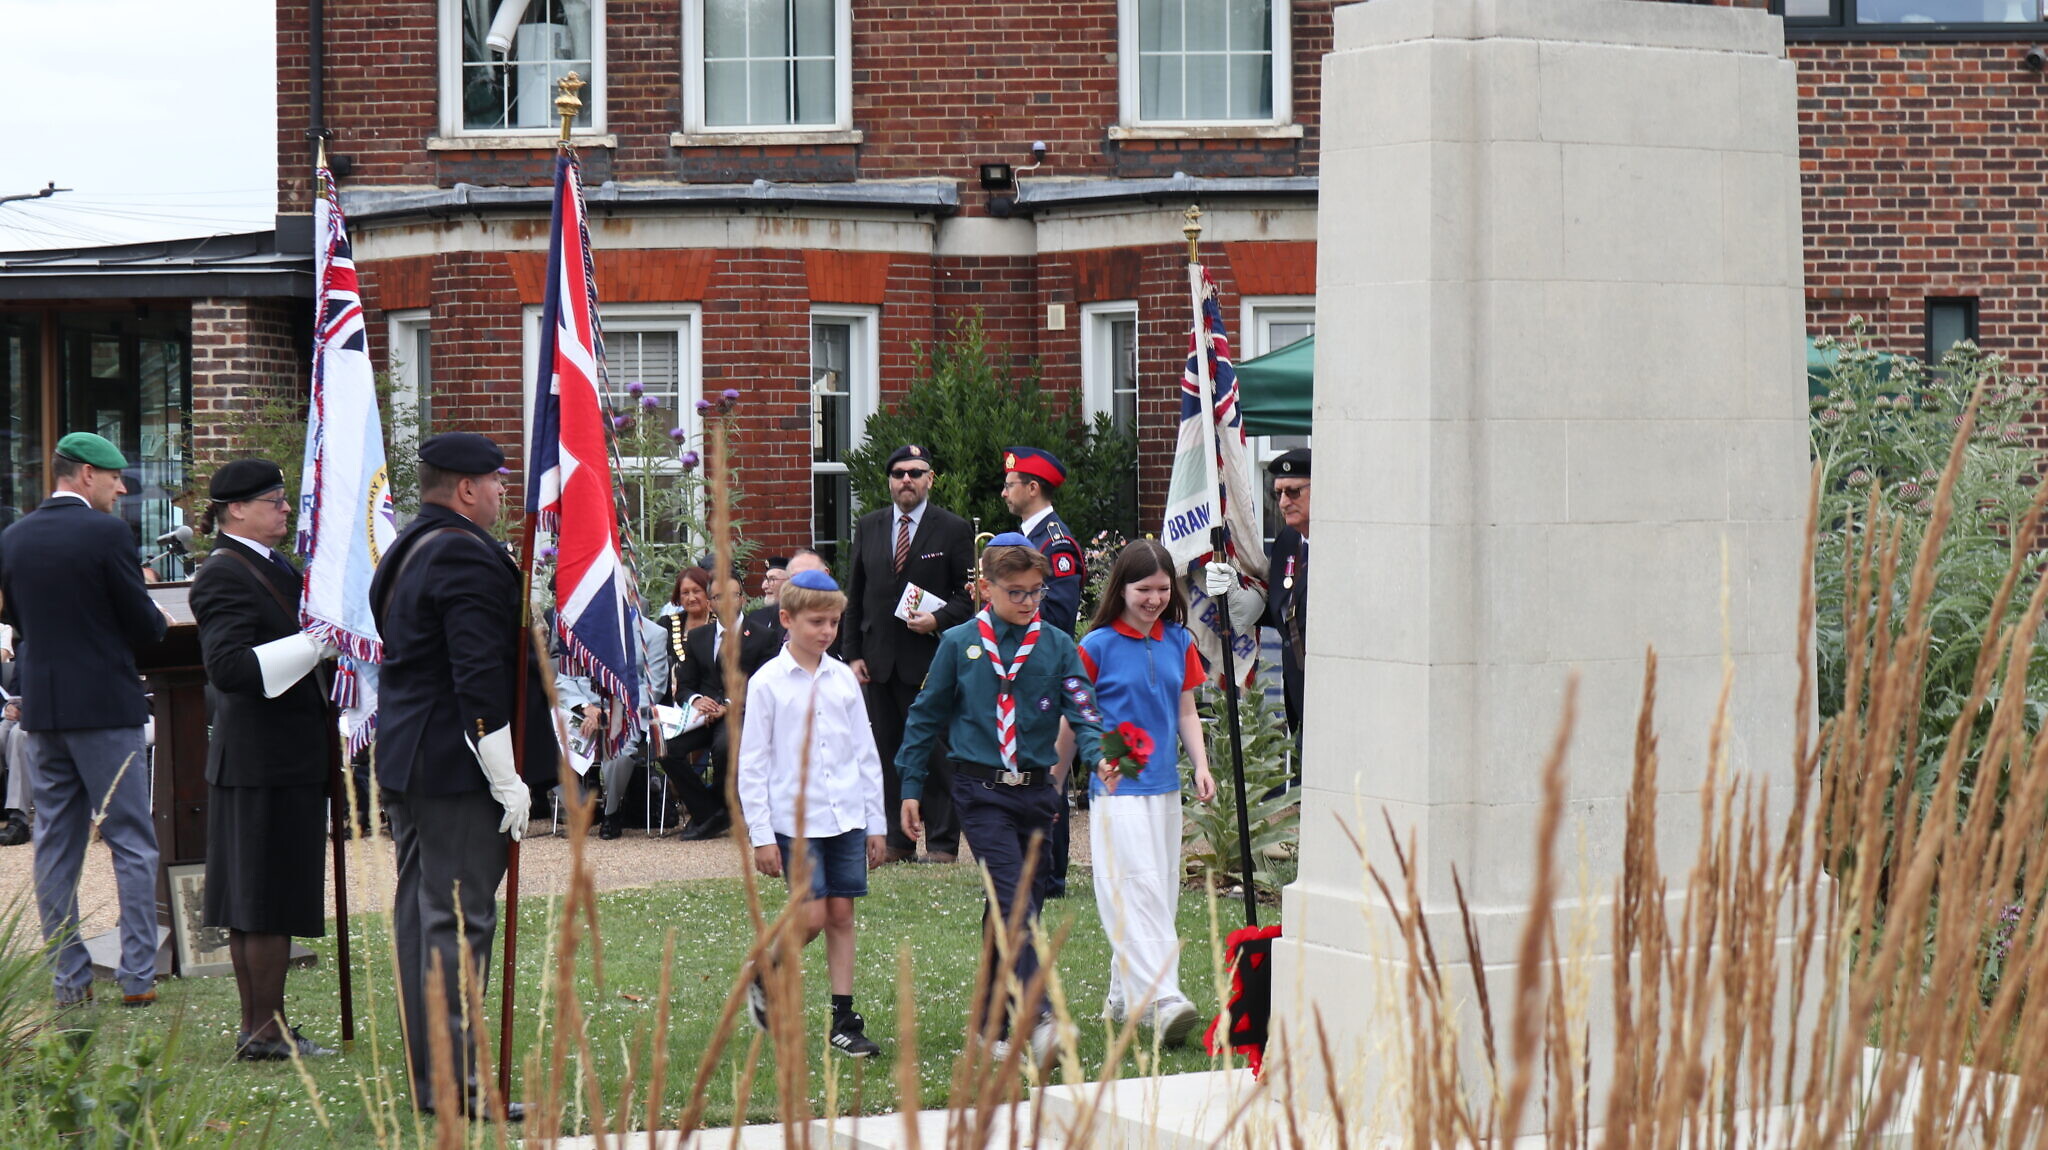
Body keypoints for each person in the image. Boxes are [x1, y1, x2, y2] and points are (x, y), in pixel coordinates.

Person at [371, 432, 551, 1122]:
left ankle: (436, 1080)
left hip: (416, 759)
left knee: (425, 918)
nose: (505, 494)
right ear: (467, 489)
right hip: (455, 766)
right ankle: (455, 1086)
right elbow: (477, 674)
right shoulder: (462, 553)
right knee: (457, 922)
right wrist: (503, 772)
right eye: (499, 484)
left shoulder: (411, 543)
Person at [897, 536, 1103, 1066]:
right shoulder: (959, 643)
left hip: (1036, 792)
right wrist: (911, 787)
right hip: (980, 790)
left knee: (1014, 906)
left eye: (1037, 592)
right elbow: (925, 715)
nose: (1030, 602)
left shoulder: (1058, 644)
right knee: (1011, 896)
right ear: (984, 588)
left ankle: (988, 1027)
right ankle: (1038, 1015)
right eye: (1017, 593)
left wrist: (1103, 755)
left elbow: (1083, 706)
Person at [0, 432, 168, 1008]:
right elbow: (141, 623)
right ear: (85, 475)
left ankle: (69, 982)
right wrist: (157, 626)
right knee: (132, 842)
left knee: (54, 846)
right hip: (105, 708)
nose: (122, 488)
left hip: (43, 712)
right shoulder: (106, 533)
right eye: (115, 477)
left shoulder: (14, 537)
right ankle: (138, 977)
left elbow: (20, 620)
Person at [188, 459, 340, 1061]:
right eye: (274, 501)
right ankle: (264, 1030)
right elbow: (228, 668)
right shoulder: (224, 573)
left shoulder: (269, 565)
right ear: (236, 511)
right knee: (263, 901)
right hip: (261, 760)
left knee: (264, 900)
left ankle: (262, 1029)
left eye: (284, 499)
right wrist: (318, 641)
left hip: (281, 755)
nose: (285, 509)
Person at [735, 569, 887, 1057]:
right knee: (813, 915)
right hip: (794, 822)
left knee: (842, 913)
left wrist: (875, 822)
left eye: (834, 623)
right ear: (787, 619)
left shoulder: (843, 678)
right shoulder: (767, 684)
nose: (826, 632)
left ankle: (844, 1017)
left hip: (846, 816)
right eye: (817, 622)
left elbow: (864, 753)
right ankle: (767, 969)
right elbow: (753, 763)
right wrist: (760, 834)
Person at [1078, 539, 1216, 1046]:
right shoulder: (1096, 647)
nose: (1154, 598)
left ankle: (1121, 994)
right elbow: (1079, 720)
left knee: (1159, 888)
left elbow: (1185, 711)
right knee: (1135, 886)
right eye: (1143, 589)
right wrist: (1057, 774)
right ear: (1122, 589)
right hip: (1117, 786)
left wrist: (1201, 766)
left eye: (1162, 589)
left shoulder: (1179, 640)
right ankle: (1162, 1000)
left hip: (1165, 785)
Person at [843, 445, 975, 864]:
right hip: (878, 660)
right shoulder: (869, 525)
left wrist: (938, 620)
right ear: (889, 480)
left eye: (915, 473)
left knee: (935, 753)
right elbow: (856, 592)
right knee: (886, 752)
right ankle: (897, 844)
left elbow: (968, 597)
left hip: (930, 660)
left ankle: (940, 843)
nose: (906, 480)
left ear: (930, 479)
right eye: (899, 473)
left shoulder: (953, 529)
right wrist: (852, 654)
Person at [1000, 445, 1085, 896]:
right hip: (1014, 670)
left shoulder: (1055, 543)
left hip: (1041, 671)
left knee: (1044, 772)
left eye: (1011, 484)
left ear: (1033, 488)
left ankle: (1050, 874)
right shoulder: (1027, 540)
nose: (1005, 492)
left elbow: (1058, 615)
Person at [660, 568, 782, 840]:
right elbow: (686, 684)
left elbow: (764, 682)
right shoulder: (699, 637)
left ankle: (715, 815)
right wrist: (696, 700)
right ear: (711, 603)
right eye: (717, 597)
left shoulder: (762, 636)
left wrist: (729, 704)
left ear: (742, 598)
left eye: (731, 596)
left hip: (741, 713)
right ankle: (710, 812)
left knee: (725, 745)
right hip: (702, 716)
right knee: (665, 749)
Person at [1262, 449, 1310, 737]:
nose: (1283, 502)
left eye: (1293, 492)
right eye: (1277, 493)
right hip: (1298, 699)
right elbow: (1280, 610)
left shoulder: (1346, 542)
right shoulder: (1287, 541)